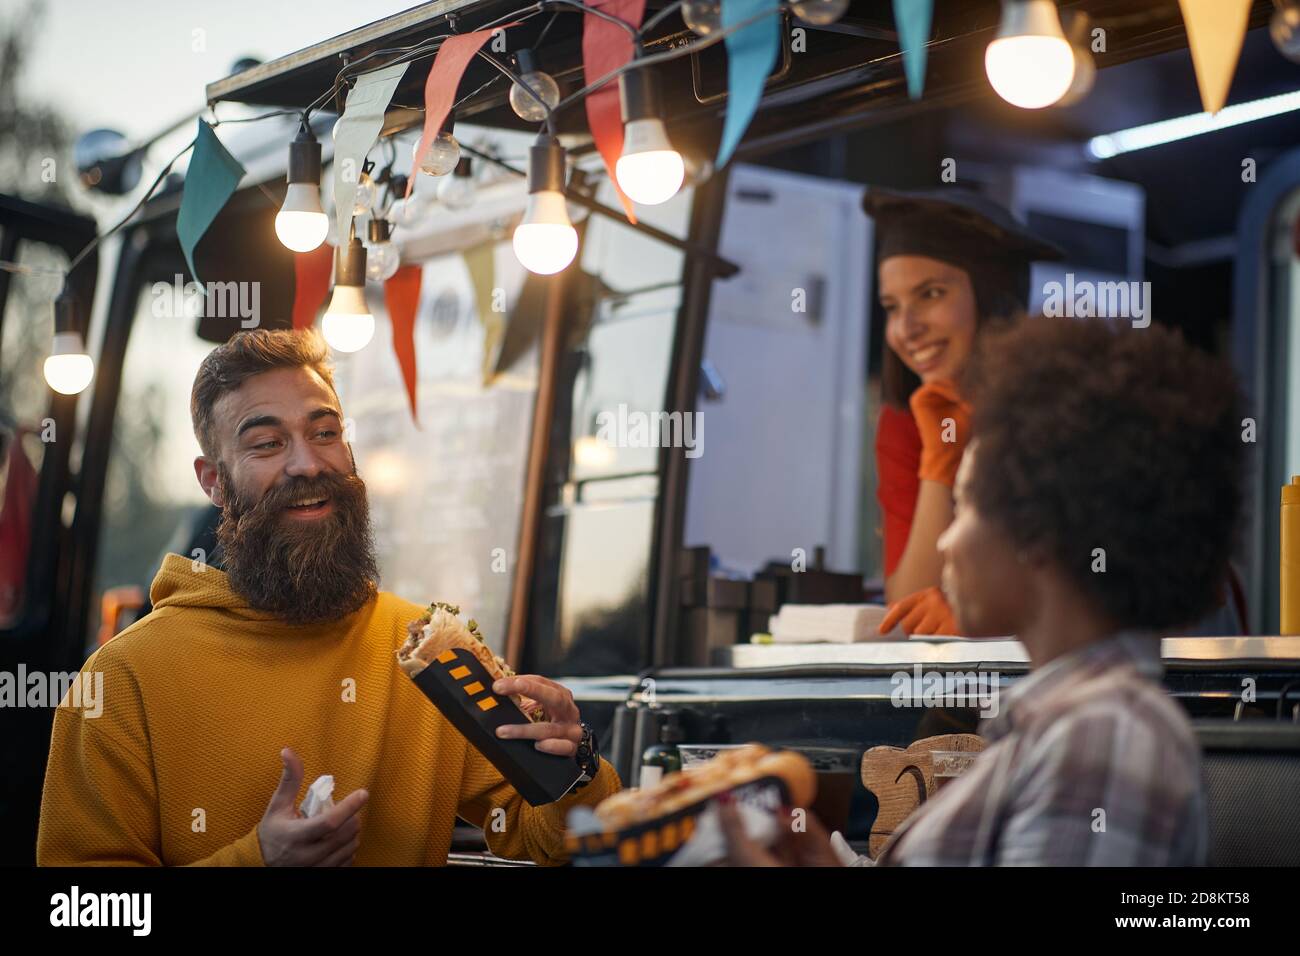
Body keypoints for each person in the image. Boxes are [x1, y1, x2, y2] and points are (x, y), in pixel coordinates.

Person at [37, 328, 620, 866]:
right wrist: (257, 861)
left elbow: (557, 839)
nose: (308, 464)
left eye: (325, 432)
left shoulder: (423, 648)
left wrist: (572, 769)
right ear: (213, 480)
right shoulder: (123, 677)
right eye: (267, 443)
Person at [722, 316, 1243, 865]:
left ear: (1038, 530)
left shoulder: (1102, 736)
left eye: (966, 503)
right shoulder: (1071, 725)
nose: (945, 540)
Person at [864, 187, 1062, 635]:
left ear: (996, 300)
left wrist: (981, 612)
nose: (906, 328)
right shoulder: (906, 423)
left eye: (931, 294)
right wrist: (939, 457)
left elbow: (1097, 581)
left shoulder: (1060, 404)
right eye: (892, 307)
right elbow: (910, 610)